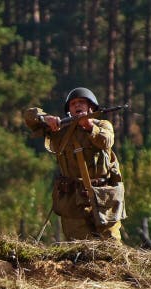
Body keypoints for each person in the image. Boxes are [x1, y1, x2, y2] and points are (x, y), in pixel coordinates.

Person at [24, 87, 126, 241]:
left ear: (91, 107)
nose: (77, 105)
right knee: (79, 247)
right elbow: (29, 116)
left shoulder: (103, 125)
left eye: (81, 102)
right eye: (73, 104)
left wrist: (89, 127)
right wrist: (46, 119)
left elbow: (106, 141)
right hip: (73, 202)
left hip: (103, 198)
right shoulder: (60, 130)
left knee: (112, 245)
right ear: (69, 110)